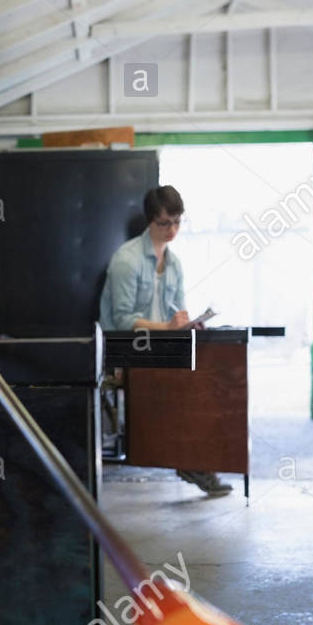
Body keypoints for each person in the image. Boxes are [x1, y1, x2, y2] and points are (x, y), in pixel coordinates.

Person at [98, 185, 232, 498]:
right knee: (188, 384)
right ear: (150, 221)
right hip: (124, 347)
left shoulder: (174, 263)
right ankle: (190, 461)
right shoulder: (126, 260)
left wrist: (189, 325)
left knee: (212, 375)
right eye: (164, 223)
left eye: (177, 222)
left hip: (160, 346)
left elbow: (177, 313)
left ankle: (193, 458)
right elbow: (121, 321)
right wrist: (167, 326)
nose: (172, 230)